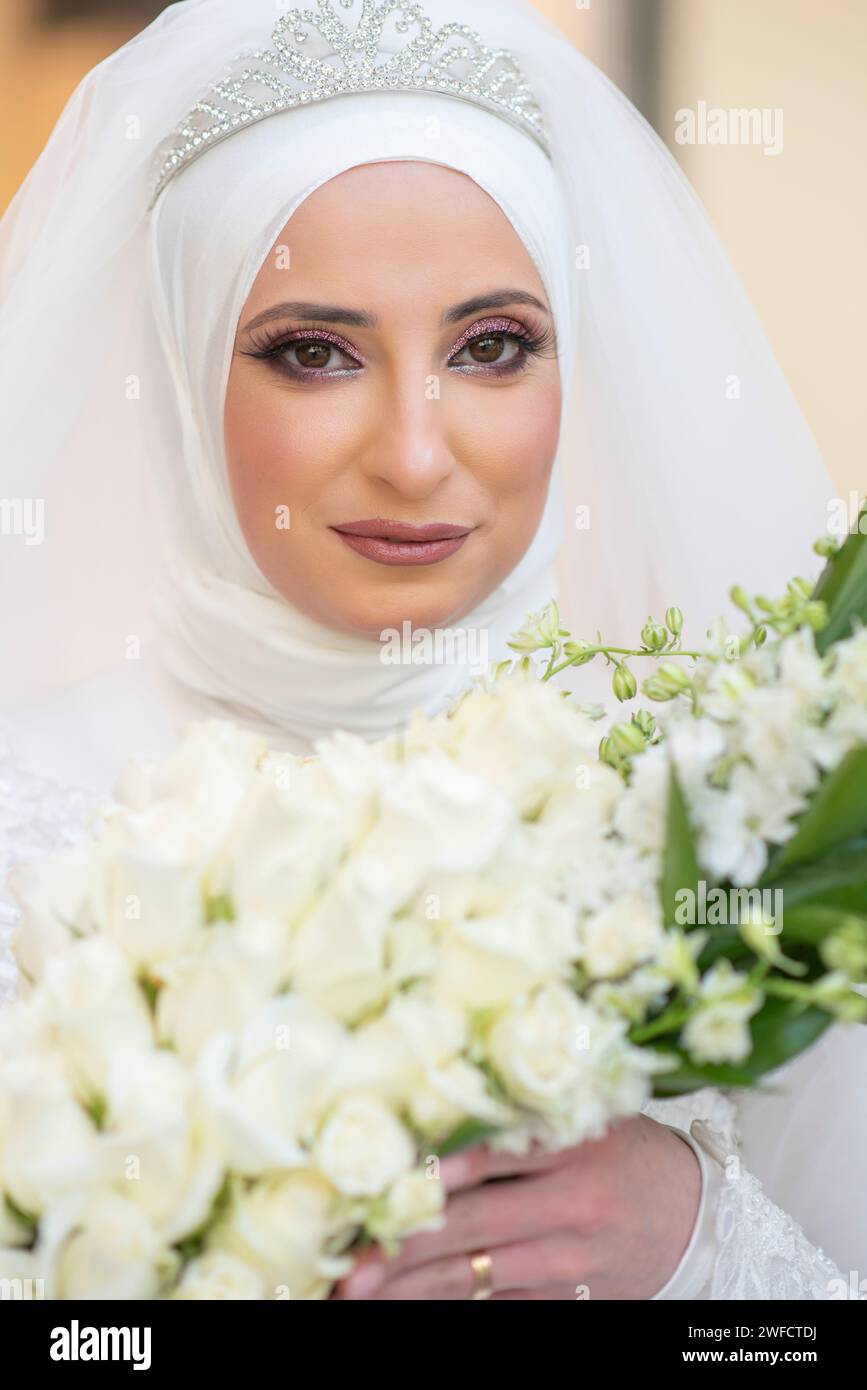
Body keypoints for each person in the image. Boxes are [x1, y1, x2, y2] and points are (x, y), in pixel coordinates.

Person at [0, 0, 863, 1300]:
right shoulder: (24, 810)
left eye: (493, 347)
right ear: (183, 368)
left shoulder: (725, 814)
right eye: (313, 352)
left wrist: (693, 1239)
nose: (413, 452)